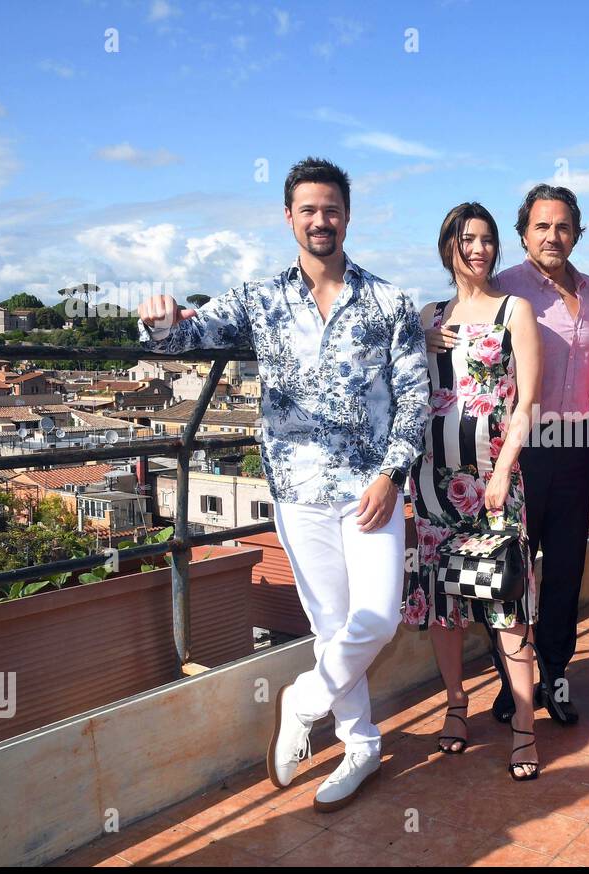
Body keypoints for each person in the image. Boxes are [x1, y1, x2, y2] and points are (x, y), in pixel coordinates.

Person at [136, 157, 430, 811]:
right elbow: (181, 339)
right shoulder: (257, 300)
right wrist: (157, 319)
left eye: (331, 208)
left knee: (378, 617)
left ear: (347, 216)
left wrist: (391, 473)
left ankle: (301, 704)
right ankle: (360, 745)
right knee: (331, 630)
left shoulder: (390, 303)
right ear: (289, 217)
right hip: (298, 492)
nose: (320, 219)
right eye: (308, 209)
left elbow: (416, 399)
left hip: (370, 490)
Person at [439, 184, 589, 726]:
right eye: (541, 226)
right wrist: (426, 331)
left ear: (576, 231)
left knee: (563, 567)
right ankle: (515, 682)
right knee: (506, 568)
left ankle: (554, 676)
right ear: (523, 234)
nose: (553, 235)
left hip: (577, 442)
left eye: (563, 226)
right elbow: (458, 335)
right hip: (518, 446)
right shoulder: (505, 290)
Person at [403, 202, 544, 780]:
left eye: (487, 239)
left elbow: (527, 399)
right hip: (432, 481)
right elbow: (403, 389)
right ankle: (456, 708)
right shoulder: (426, 318)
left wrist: (507, 468)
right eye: (467, 239)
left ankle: (524, 726)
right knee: (445, 604)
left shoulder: (516, 310)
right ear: (448, 248)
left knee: (507, 602)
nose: (480, 249)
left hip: (492, 483)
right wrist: (421, 343)